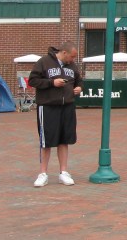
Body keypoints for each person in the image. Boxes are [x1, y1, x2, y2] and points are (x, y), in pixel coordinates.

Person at [27, 41, 83, 187]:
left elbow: (79, 80)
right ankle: (43, 173)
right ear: (64, 53)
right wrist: (52, 83)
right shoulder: (44, 62)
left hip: (67, 106)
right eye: (71, 56)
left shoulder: (72, 66)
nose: (73, 60)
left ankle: (63, 172)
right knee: (46, 141)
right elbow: (33, 80)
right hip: (48, 106)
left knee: (64, 140)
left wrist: (79, 88)